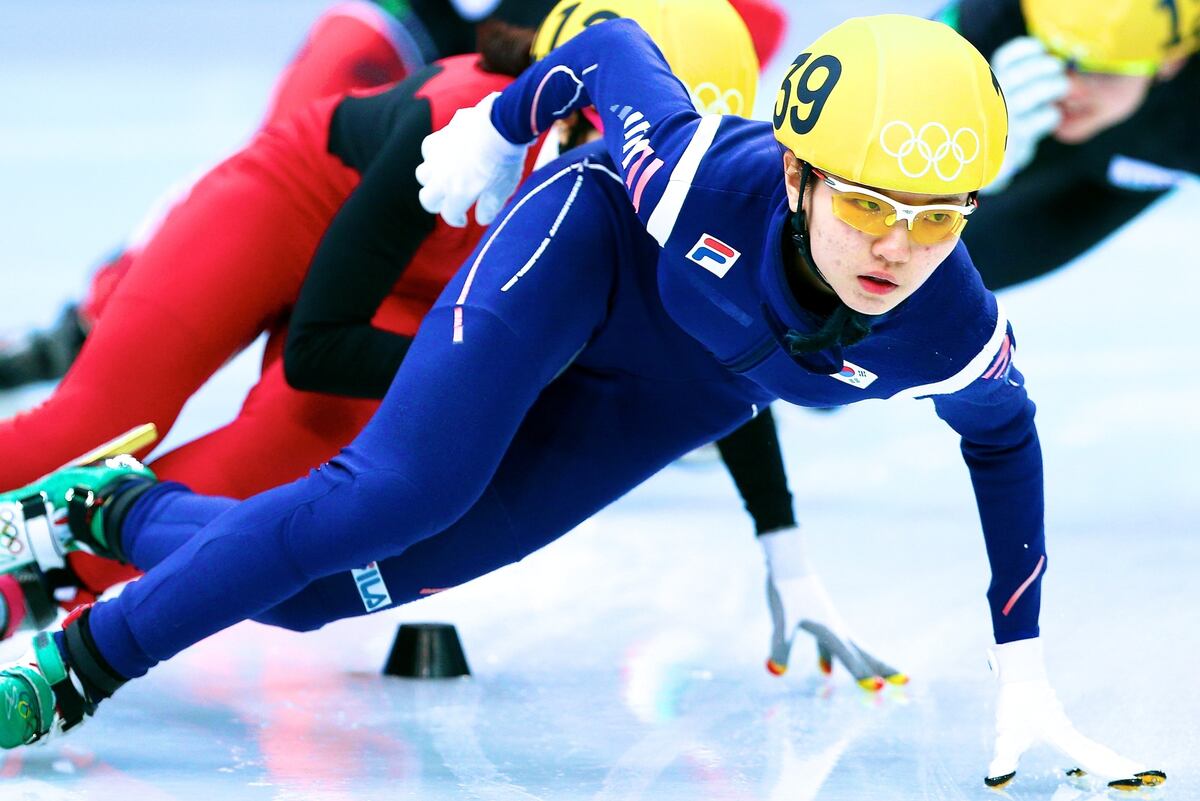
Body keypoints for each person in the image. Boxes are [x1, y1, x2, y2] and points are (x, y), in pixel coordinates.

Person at [0, 5, 1153, 789]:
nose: (896, 246)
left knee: (320, 597)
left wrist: (1024, 666)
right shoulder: (691, 168)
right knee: (396, 494)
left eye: (937, 214)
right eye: (866, 205)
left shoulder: (950, 325)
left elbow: (1007, 446)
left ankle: (118, 513)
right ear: (796, 172)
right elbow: (603, 42)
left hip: (670, 391)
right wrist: (500, 132)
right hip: (581, 260)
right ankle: (70, 670)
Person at [0, 4, 833, 692]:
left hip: (417, 299)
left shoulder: (658, 189)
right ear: (574, 110)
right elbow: (319, 348)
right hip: (287, 212)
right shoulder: (458, 121)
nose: (633, 194)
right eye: (615, 152)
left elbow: (721, 349)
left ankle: (31, 575)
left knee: (238, 497)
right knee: (99, 420)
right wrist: (491, 371)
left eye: (663, 168)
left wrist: (782, 541)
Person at [934, 0, 1199, 288]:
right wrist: (954, 160)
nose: (1070, 88)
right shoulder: (988, 20)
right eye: (1052, 54)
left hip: (1126, 172)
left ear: (1173, 62)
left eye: (1102, 71)